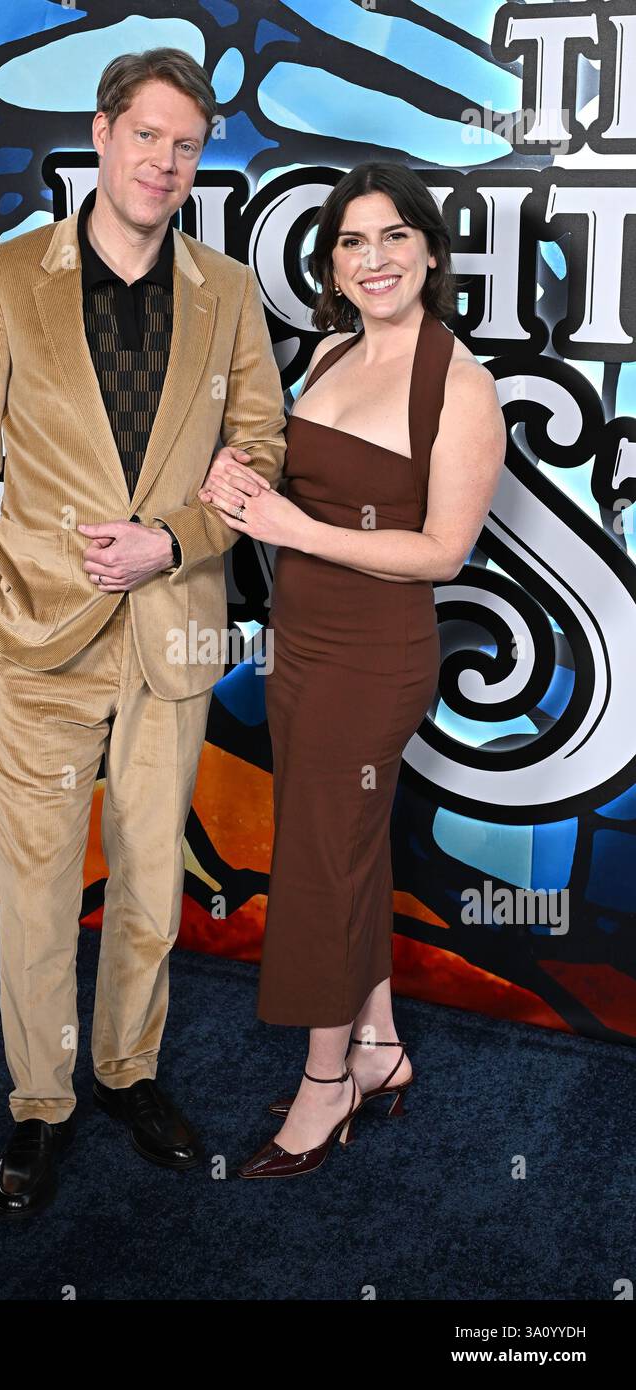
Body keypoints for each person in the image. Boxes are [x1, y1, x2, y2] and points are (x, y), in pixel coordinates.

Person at [0, 48, 286, 1216]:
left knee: (147, 877)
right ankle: (41, 1102)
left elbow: (262, 454)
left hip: (174, 630)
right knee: (36, 886)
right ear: (102, 134)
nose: (166, 162)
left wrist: (173, 541)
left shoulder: (228, 293)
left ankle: (128, 1069)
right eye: (148, 135)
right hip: (36, 630)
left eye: (186, 145)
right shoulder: (2, 278)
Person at [198, 162, 506, 1179]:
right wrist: (245, 480)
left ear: (427, 248)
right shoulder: (327, 350)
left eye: (391, 238)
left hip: (377, 658)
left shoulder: (460, 385)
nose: (373, 260)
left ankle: (324, 1086)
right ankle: (379, 1048)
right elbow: (289, 479)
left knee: (321, 859)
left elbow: (442, 552)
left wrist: (292, 527)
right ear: (332, 262)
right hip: (303, 645)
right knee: (350, 847)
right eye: (351, 242)